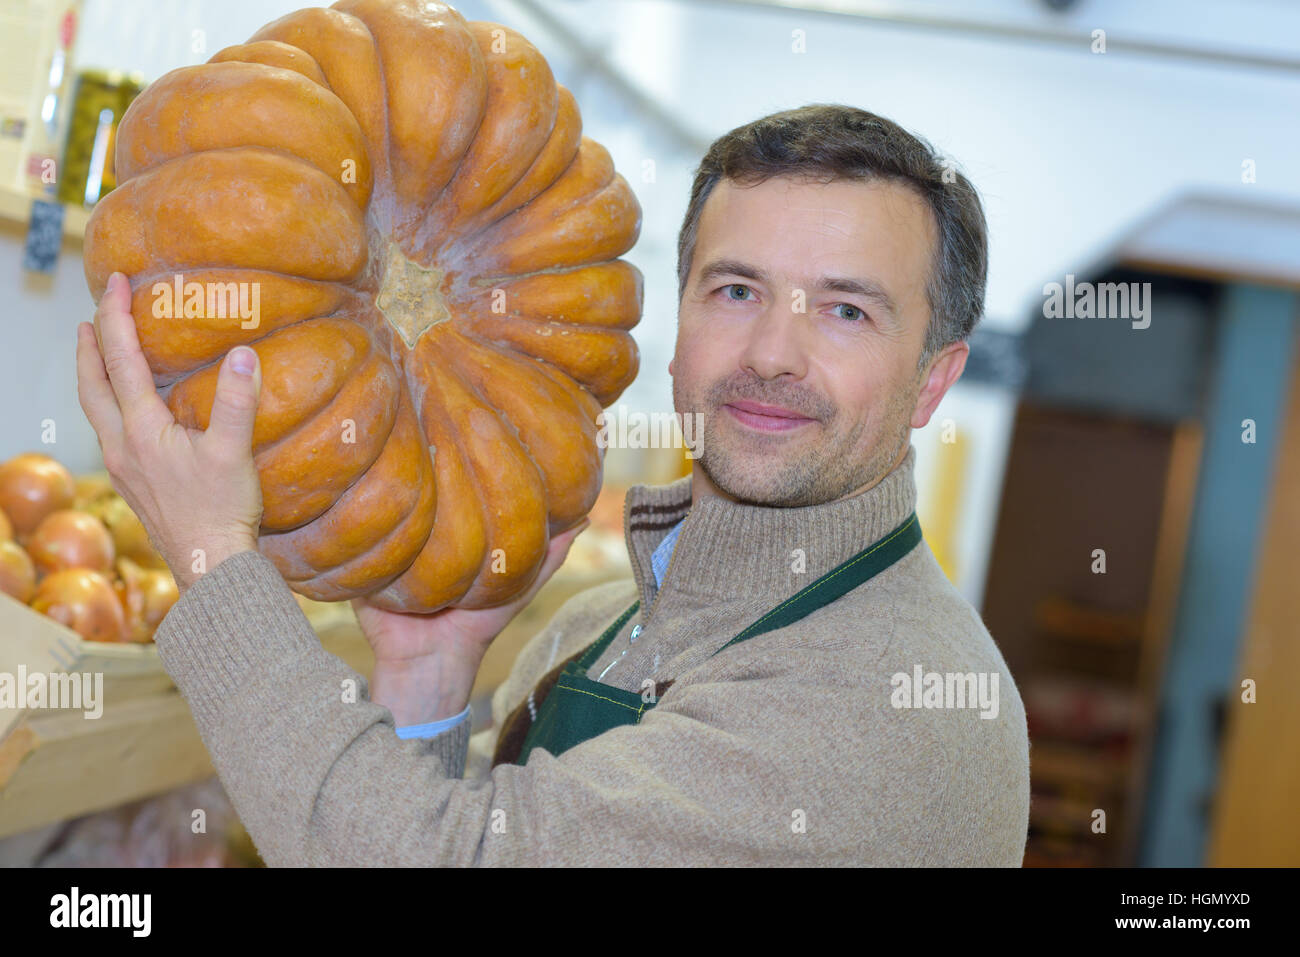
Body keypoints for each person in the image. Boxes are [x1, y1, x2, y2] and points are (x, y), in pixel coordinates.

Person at [76, 103, 1029, 866]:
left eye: (846, 310)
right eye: (735, 291)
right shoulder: (606, 625)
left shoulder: (887, 707)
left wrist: (211, 557)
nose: (772, 354)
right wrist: (427, 682)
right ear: (682, 319)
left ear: (933, 381)